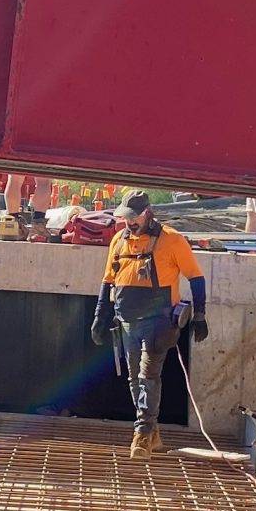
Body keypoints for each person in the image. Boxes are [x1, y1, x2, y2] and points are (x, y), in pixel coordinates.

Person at [88, 189, 206, 457]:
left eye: (133, 218)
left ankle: (141, 435)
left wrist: (199, 315)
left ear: (146, 213)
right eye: (125, 218)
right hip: (127, 321)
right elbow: (108, 282)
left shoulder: (172, 240)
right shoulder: (118, 240)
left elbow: (196, 278)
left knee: (148, 377)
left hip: (159, 322)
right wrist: (99, 317)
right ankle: (152, 432)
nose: (128, 223)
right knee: (134, 379)